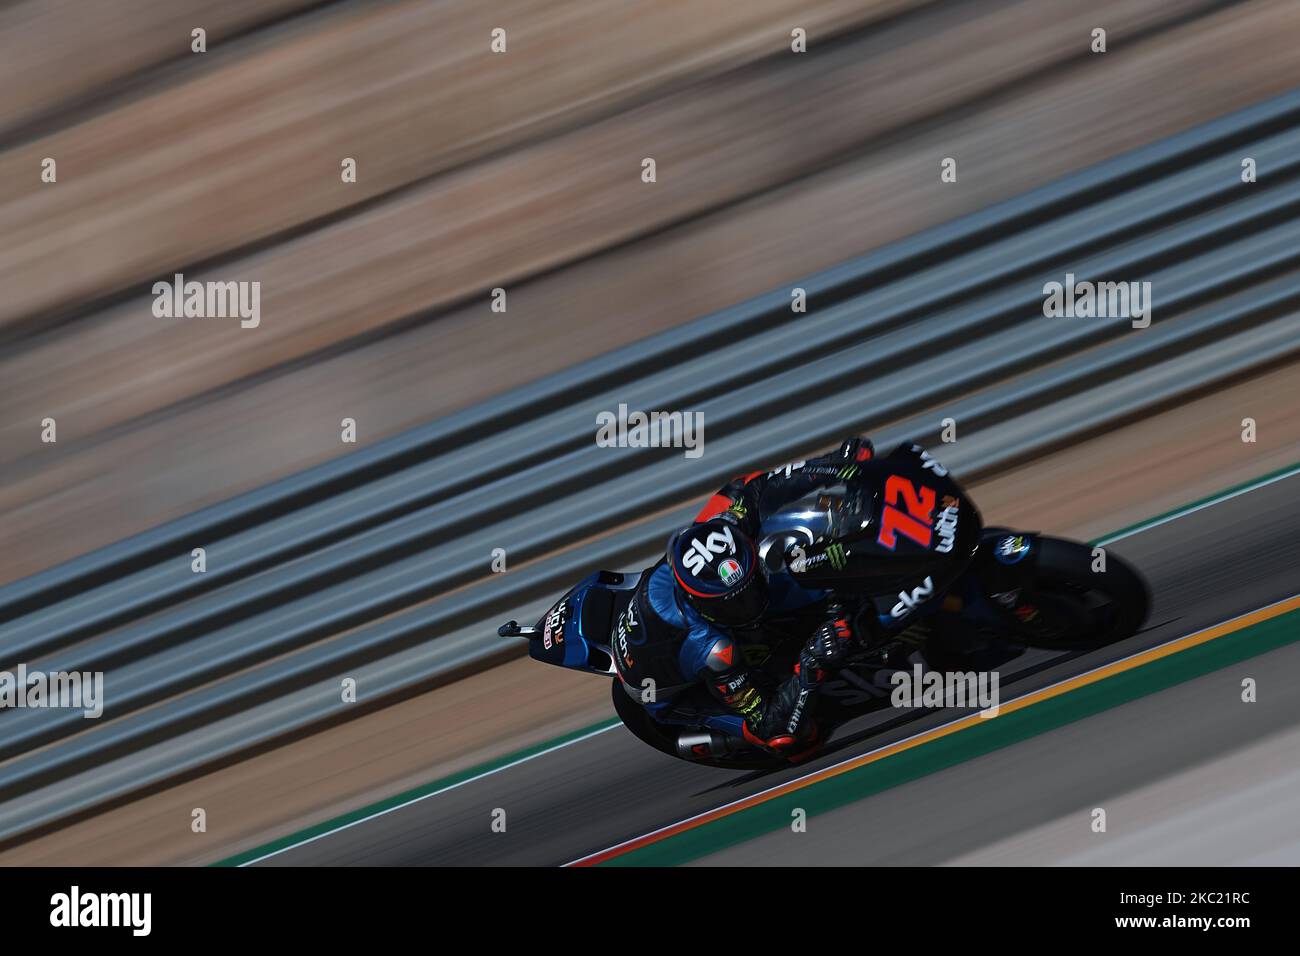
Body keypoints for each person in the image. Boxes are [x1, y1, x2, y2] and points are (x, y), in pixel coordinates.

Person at [611, 438, 875, 756]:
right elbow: (771, 722)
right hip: (659, 688)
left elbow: (757, 489)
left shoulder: (725, 530)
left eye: (749, 589)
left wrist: (832, 464)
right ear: (705, 607)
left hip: (659, 609)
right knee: (794, 741)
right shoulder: (712, 649)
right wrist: (811, 661)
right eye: (736, 602)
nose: (750, 602)